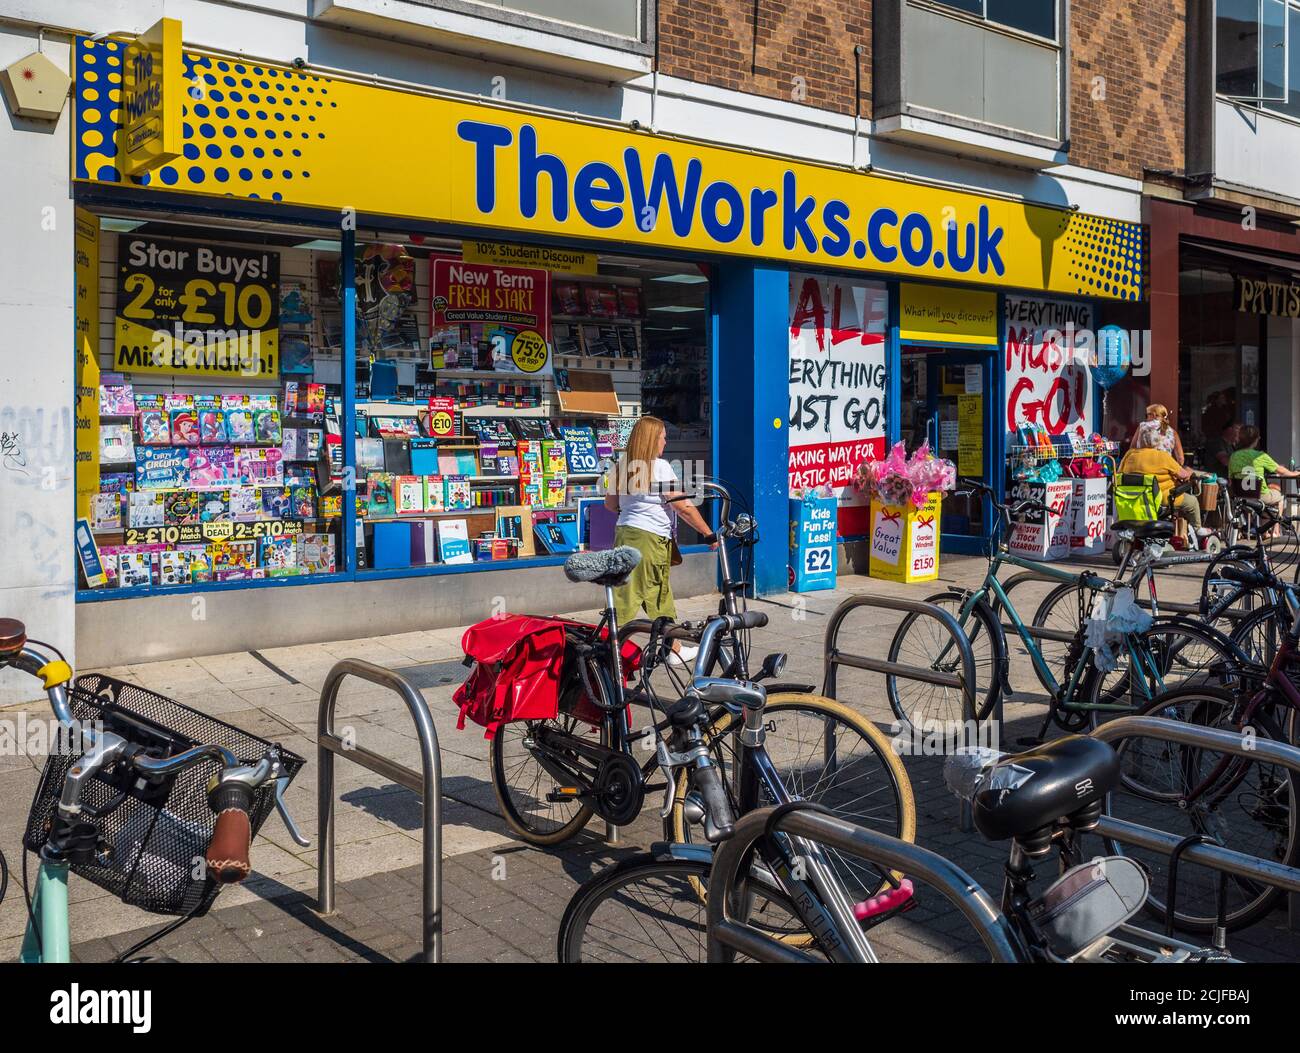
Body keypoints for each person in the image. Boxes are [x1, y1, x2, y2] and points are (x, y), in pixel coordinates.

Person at [604, 416, 717, 666]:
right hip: (649, 539)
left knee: (633, 596)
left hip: (624, 535)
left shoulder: (620, 466)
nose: (665, 441)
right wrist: (708, 533)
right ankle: (662, 650)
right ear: (651, 439)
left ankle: (629, 649)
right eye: (662, 436)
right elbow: (682, 506)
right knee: (651, 595)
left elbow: (610, 505)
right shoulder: (660, 466)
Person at [1118, 439, 1210, 538]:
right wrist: (1190, 473)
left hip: (1133, 498)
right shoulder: (1162, 456)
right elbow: (1183, 475)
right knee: (1193, 502)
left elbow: (1119, 473)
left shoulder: (1129, 454)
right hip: (1160, 498)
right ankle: (1198, 529)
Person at [1228, 425, 1299, 509]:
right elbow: (1282, 471)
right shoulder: (1260, 456)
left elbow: (1230, 480)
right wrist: (1294, 473)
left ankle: (1260, 519)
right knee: (1281, 496)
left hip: (1240, 496)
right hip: (1259, 495)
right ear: (1256, 439)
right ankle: (1276, 522)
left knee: (1270, 489)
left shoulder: (1234, 456)